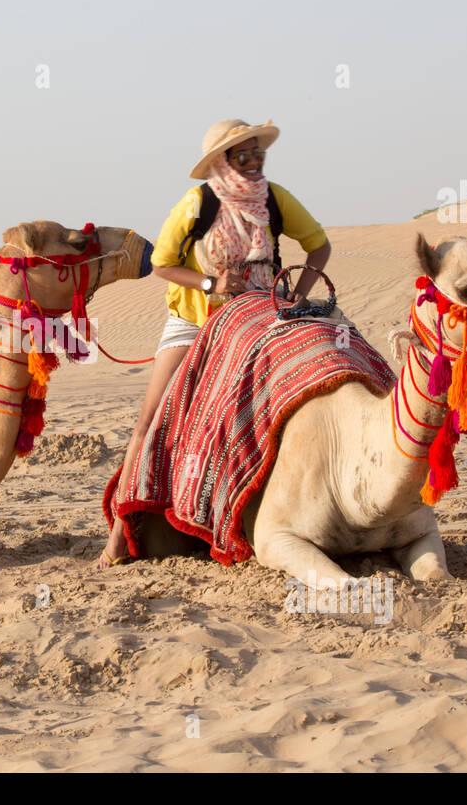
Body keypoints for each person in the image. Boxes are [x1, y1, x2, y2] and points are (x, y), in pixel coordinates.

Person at [98, 118, 331, 567]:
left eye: (258, 154)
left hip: (259, 316)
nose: (254, 163)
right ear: (222, 162)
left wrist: (299, 295)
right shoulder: (198, 203)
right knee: (151, 421)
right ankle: (116, 542)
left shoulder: (274, 199)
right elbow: (162, 264)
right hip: (194, 319)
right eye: (243, 156)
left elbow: (318, 246)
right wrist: (211, 283)